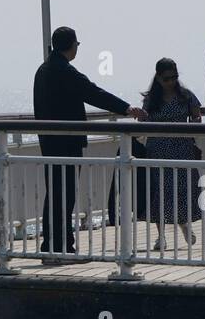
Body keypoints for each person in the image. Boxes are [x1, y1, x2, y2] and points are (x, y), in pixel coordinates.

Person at [33, 27, 145, 257]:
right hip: (67, 142)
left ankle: (52, 244)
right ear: (72, 45)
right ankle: (63, 245)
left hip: (49, 141)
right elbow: (93, 92)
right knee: (65, 193)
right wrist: (126, 108)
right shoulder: (65, 71)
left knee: (54, 193)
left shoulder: (42, 70)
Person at [137, 58, 203, 249]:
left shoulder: (186, 96)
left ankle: (183, 223)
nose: (171, 82)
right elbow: (144, 120)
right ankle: (161, 236)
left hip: (182, 148)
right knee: (159, 191)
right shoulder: (151, 99)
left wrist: (193, 128)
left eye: (174, 77)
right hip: (158, 149)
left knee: (181, 189)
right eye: (167, 78)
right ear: (158, 78)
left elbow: (197, 115)